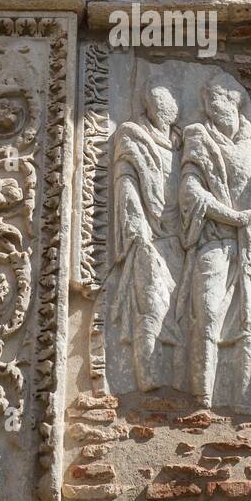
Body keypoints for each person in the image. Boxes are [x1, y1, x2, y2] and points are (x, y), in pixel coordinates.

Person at [176, 72, 251, 409]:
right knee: (208, 312)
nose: (209, 105)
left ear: (235, 100)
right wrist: (233, 216)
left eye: (216, 98)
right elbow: (190, 191)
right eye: (207, 100)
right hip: (215, 239)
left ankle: (247, 402)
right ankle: (203, 397)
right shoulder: (197, 136)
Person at [112, 79, 182, 391]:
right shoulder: (133, 138)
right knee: (153, 300)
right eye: (156, 104)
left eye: (167, 104)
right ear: (148, 108)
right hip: (147, 235)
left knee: (182, 306)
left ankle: (177, 376)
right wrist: (137, 228)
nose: (163, 109)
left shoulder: (185, 143)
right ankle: (145, 373)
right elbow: (126, 185)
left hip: (182, 235)